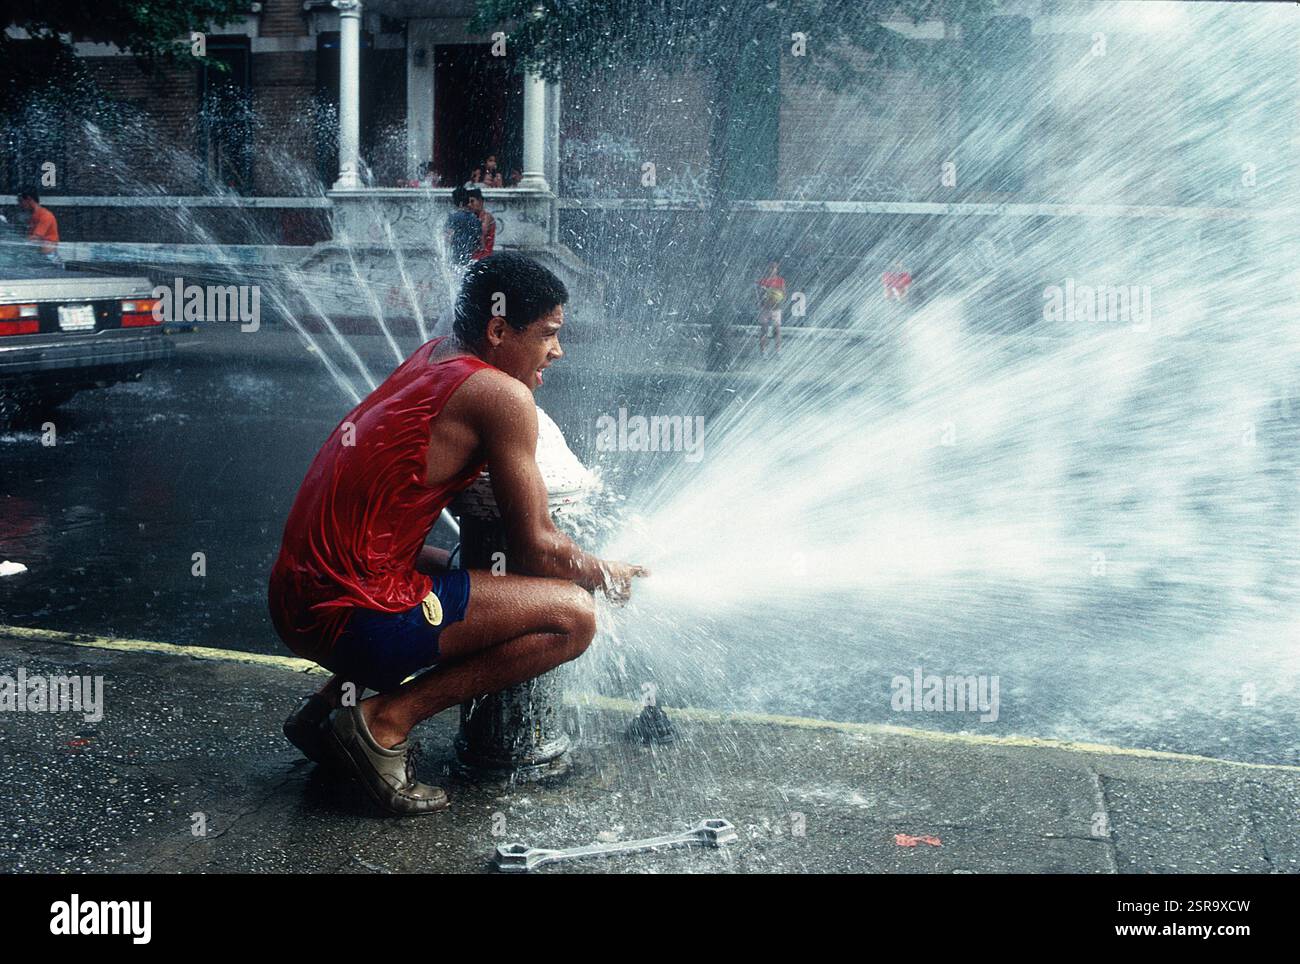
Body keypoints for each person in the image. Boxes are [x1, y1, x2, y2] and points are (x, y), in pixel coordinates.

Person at [269, 252, 647, 815]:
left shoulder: (435, 356)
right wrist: (605, 573)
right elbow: (536, 547)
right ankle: (383, 724)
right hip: (350, 620)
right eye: (547, 335)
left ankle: (325, 711)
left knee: (448, 565)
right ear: (498, 330)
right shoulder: (501, 395)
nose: (557, 351)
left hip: (297, 598)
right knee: (574, 616)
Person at [17, 189, 59, 263]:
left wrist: (16, 242)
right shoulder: (33, 216)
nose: (19, 204)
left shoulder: (45, 216)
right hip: (38, 256)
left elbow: (35, 237)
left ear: (29, 199)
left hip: (48, 258)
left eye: (21, 201)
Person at [444, 186, 481, 268]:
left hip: (455, 259)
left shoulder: (453, 218)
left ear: (459, 203)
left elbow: (448, 238)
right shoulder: (475, 219)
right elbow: (479, 242)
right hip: (470, 260)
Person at [756, 259, 786, 355]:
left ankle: (778, 350)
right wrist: (764, 295)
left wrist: (777, 297)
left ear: (777, 269)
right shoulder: (762, 281)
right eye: (770, 268)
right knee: (764, 330)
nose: (772, 270)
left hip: (776, 309)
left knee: (777, 330)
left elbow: (784, 295)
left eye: (774, 268)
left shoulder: (780, 281)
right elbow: (758, 296)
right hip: (765, 309)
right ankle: (764, 351)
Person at [466, 187, 495, 260]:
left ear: (480, 201)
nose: (469, 205)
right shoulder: (474, 217)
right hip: (474, 258)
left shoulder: (487, 217)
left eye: (472, 201)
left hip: (484, 258)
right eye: (468, 202)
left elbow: (481, 233)